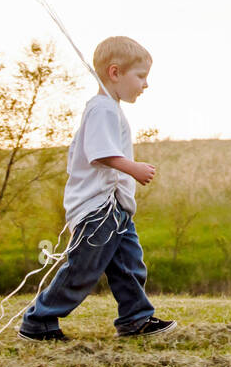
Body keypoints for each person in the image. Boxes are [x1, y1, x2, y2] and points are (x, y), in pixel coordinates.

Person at [18, 36, 177, 341]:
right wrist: (134, 168)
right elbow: (99, 152)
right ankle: (38, 321)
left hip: (115, 208)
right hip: (98, 209)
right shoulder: (102, 108)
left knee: (128, 265)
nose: (145, 85)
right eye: (140, 76)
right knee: (83, 269)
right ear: (115, 73)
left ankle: (135, 318)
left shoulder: (110, 108)